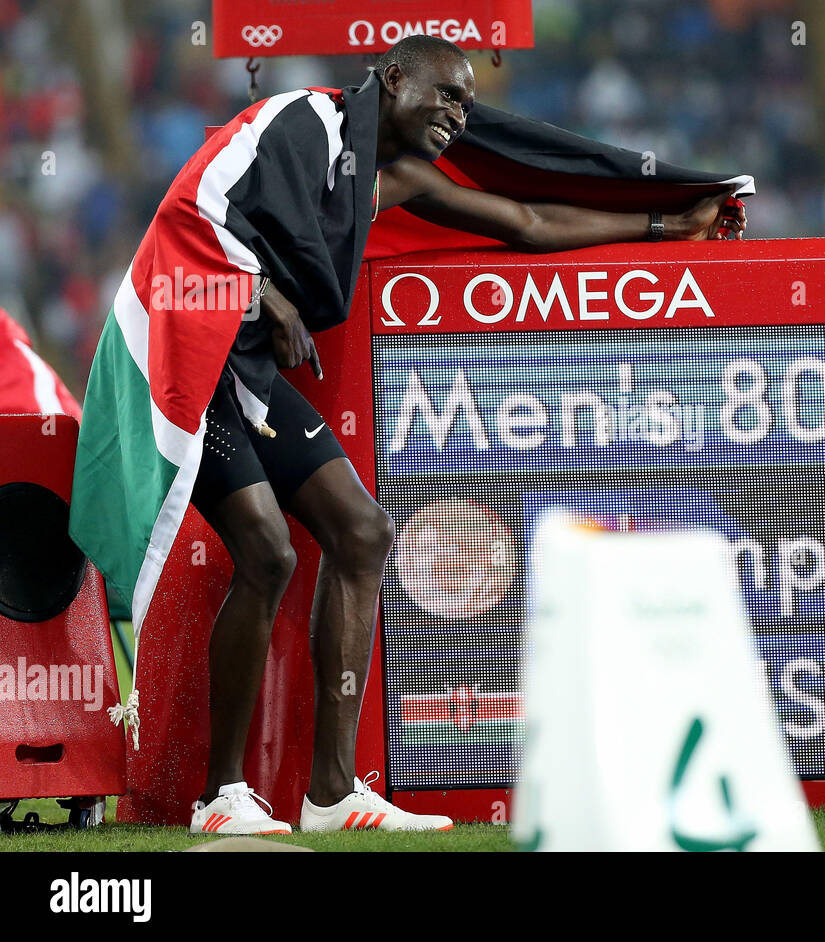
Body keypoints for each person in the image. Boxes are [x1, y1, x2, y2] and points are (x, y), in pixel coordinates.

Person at [71, 35, 745, 837]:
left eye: (468, 103)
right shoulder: (300, 121)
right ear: (392, 80)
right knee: (268, 552)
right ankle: (222, 797)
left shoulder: (392, 182)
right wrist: (262, 297)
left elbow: (526, 221)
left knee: (362, 533)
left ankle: (331, 792)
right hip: (184, 352)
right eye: (446, 96)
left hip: (245, 371)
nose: (459, 115)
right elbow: (187, 213)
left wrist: (668, 224)